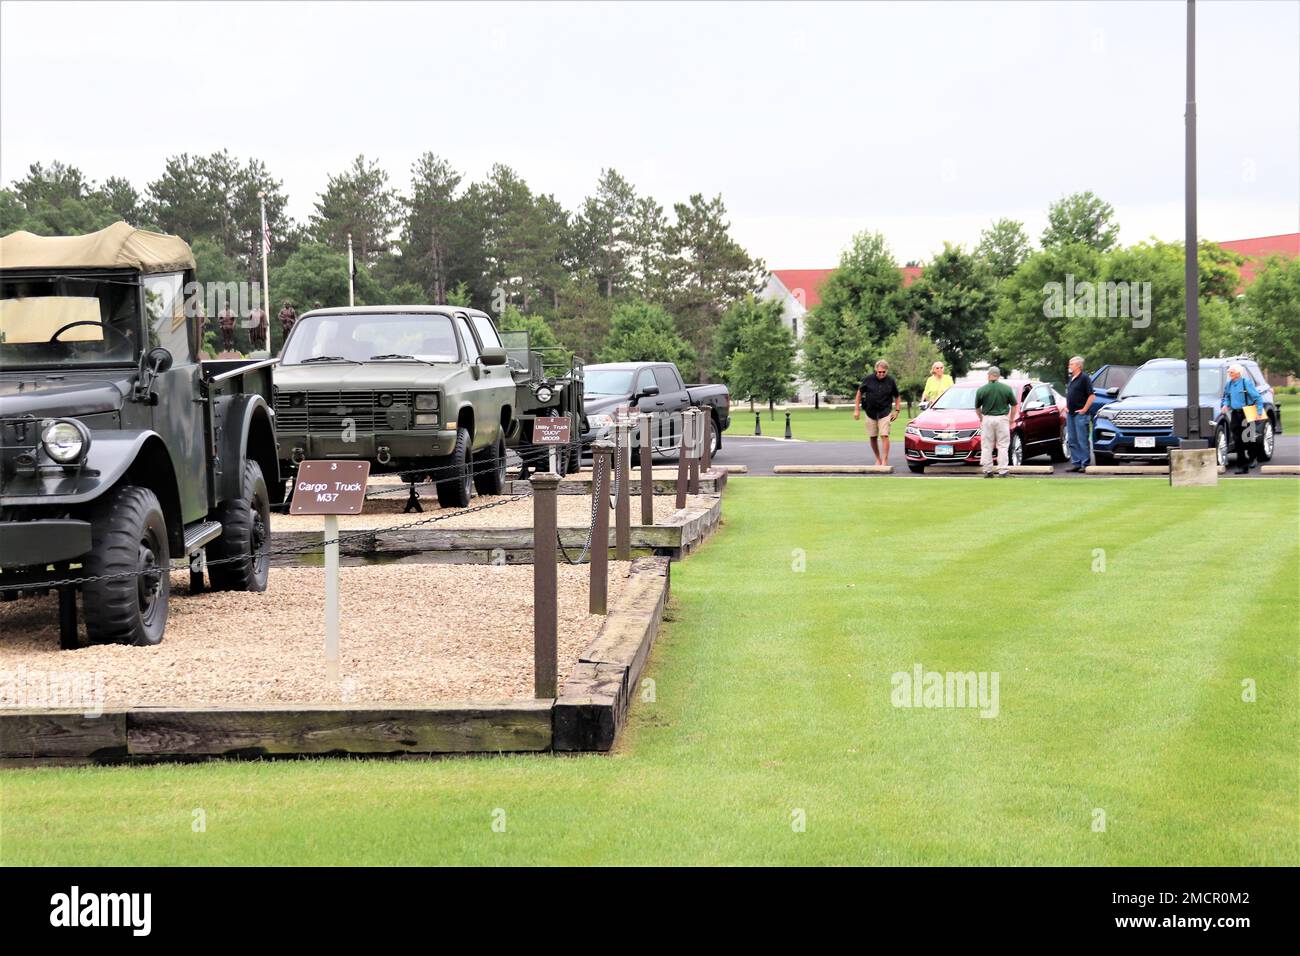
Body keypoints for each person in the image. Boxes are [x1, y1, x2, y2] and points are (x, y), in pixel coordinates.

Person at [853, 360, 901, 465]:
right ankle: (878, 459)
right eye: (879, 372)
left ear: (887, 371)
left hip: (885, 412)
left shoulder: (891, 381)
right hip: (870, 412)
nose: (881, 374)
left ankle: (884, 460)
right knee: (873, 436)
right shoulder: (868, 379)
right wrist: (856, 409)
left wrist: (897, 411)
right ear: (876, 370)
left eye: (884, 372)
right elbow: (859, 393)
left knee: (884, 435)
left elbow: (897, 396)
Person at [1221, 363, 1264, 474]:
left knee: (1248, 438)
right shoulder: (1229, 385)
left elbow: (1257, 398)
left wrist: (1259, 412)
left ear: (1238, 373)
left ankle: (1252, 457)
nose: (1229, 374)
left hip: (1247, 412)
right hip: (1235, 414)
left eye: (1231, 372)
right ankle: (1242, 466)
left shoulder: (1246, 383)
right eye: (1229, 372)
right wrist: (1225, 405)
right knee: (1237, 440)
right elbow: (1226, 397)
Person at [975, 365, 1017, 477]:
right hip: (1002, 418)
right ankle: (1003, 470)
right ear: (998, 376)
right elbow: (1014, 405)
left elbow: (977, 407)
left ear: (989, 376)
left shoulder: (981, 390)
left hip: (987, 418)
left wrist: (981, 418)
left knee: (986, 445)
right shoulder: (1006, 389)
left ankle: (988, 470)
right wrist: (1011, 419)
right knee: (1002, 445)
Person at [1064, 355, 1094, 472]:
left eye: (1071, 364)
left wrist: (1084, 409)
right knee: (1072, 439)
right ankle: (1076, 462)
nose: (1069, 366)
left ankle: (1084, 463)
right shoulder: (1071, 378)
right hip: (1070, 413)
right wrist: (1067, 406)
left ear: (1078, 366)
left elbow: (1091, 396)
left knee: (1082, 439)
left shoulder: (1084, 378)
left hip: (1080, 414)